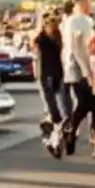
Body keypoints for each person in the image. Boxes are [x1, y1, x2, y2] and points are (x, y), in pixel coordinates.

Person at [54, 0, 95, 159]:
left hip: (90, 68)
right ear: (79, 2)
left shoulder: (85, 20)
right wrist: (87, 72)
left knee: (93, 107)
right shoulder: (76, 21)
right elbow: (77, 48)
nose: (90, 4)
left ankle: (89, 140)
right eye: (88, 0)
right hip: (81, 70)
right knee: (88, 106)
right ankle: (67, 133)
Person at [33, 13, 68, 143]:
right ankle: (59, 121)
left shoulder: (43, 39)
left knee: (50, 100)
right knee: (57, 99)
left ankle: (55, 121)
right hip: (57, 72)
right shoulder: (57, 38)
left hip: (46, 73)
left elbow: (34, 41)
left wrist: (40, 24)